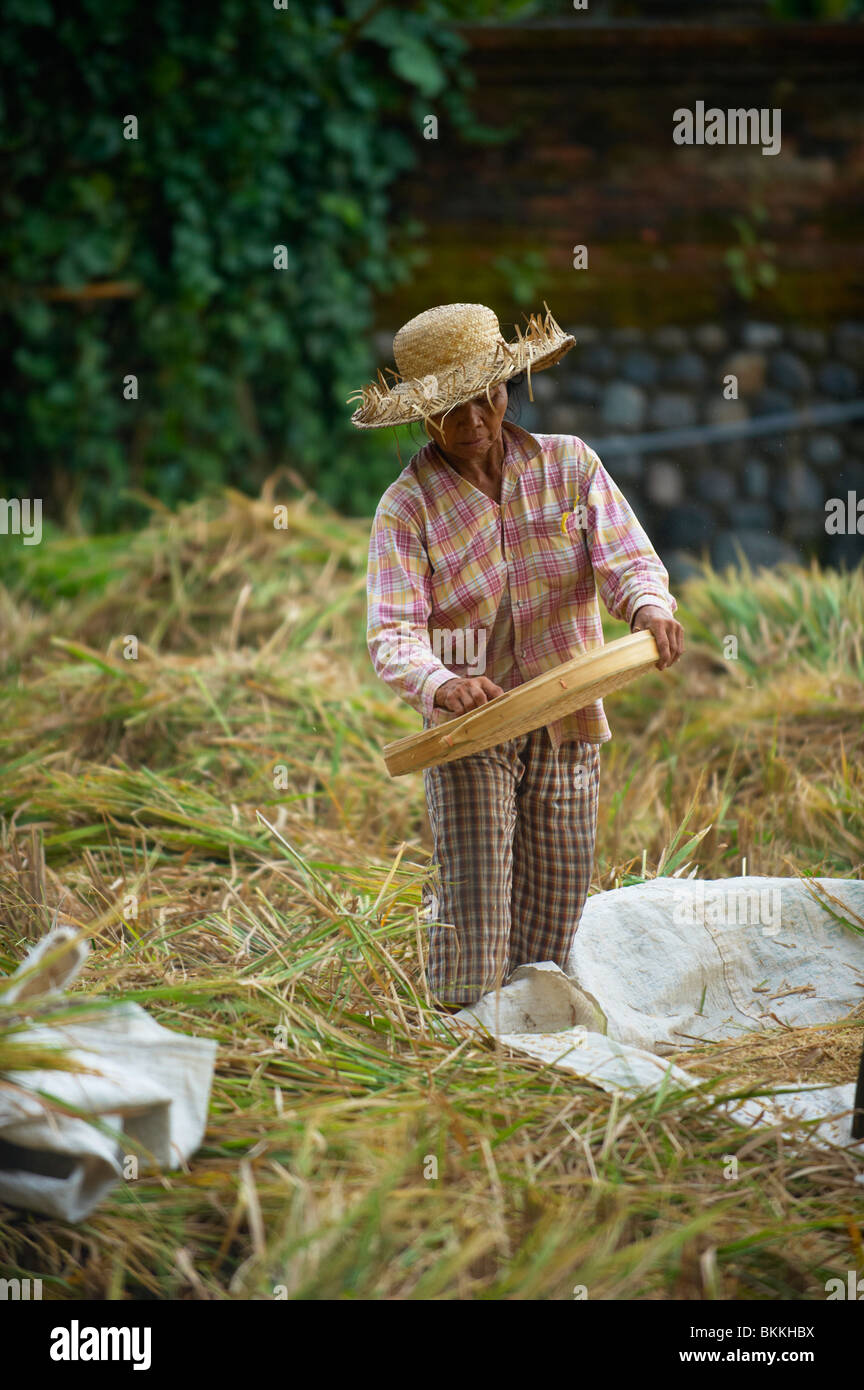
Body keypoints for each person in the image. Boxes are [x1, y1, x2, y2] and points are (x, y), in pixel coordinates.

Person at [350, 302, 684, 1010]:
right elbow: (392, 632)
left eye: (487, 397)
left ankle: (535, 1030)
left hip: (566, 711)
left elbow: (625, 559)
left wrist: (650, 606)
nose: (474, 421)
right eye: (451, 410)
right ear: (421, 417)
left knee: (558, 894)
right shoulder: (406, 508)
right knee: (476, 900)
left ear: (511, 386)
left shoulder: (570, 465)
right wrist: (442, 684)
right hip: (476, 728)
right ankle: (465, 1035)